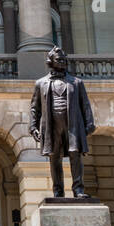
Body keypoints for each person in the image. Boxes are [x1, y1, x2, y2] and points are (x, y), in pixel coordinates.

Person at [28, 46, 95, 198]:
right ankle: (58, 191)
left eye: (64, 60)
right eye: (59, 60)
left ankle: (78, 190)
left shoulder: (77, 82)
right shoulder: (41, 83)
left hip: (72, 124)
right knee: (54, 157)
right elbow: (34, 108)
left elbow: (85, 104)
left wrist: (89, 123)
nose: (62, 62)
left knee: (75, 154)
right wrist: (33, 127)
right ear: (50, 62)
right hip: (52, 125)